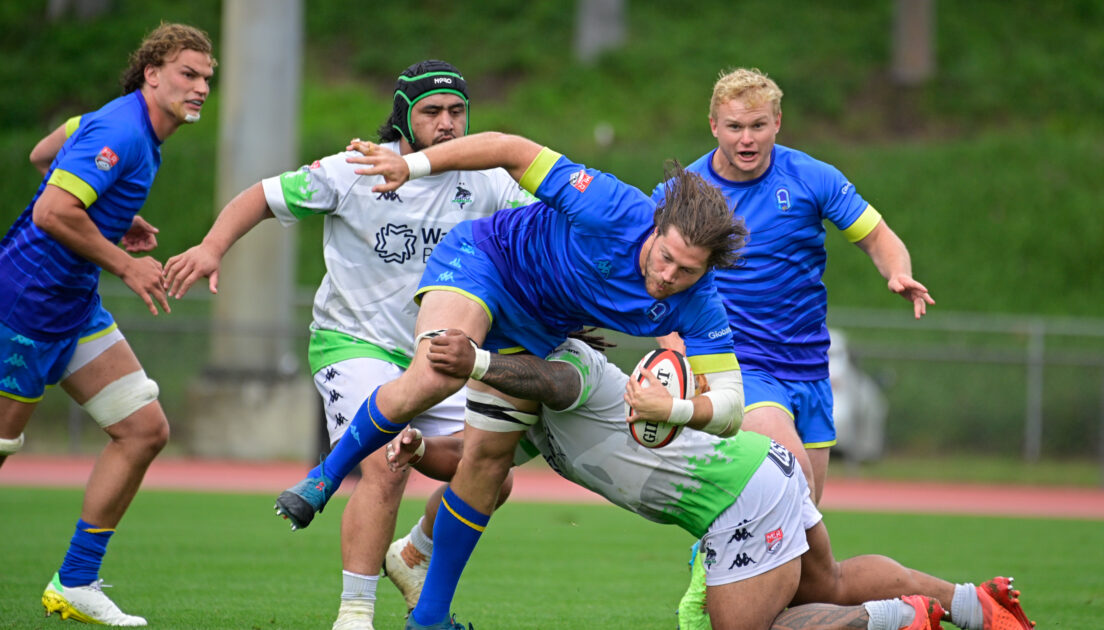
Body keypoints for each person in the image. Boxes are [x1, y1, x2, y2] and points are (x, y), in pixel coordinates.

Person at [274, 131, 750, 630]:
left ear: (708, 270)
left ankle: (429, 618)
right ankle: (323, 478)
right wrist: (411, 168)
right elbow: (508, 149)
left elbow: (733, 406)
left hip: (537, 330)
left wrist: (672, 410)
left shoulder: (700, 303)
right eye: (664, 257)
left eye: (687, 270)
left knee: (488, 463)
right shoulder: (608, 205)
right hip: (487, 263)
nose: (668, 276)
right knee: (435, 374)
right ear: (656, 227)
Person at [162, 60, 523, 630]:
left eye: (457, 111)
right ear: (404, 116)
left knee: (493, 472)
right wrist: (211, 247)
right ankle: (354, 614)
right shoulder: (352, 170)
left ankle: (413, 553)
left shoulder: (486, 178)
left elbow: (544, 235)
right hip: (355, 341)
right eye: (432, 112)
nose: (448, 124)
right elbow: (261, 194)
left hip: (439, 354)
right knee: (385, 460)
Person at [384, 329, 1035, 630]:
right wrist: (415, 449)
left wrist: (476, 362)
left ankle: (899, 619)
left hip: (739, 500)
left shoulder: (564, 365)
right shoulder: (520, 413)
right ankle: (977, 606)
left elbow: (548, 382)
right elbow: (470, 460)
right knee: (827, 584)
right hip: (760, 471)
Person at [650, 67, 935, 627]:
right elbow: (652, 273)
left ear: (778, 122)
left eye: (758, 124)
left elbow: (878, 235)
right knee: (791, 478)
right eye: (734, 126)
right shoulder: (684, 193)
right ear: (713, 125)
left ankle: (929, 607)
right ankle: (701, 591)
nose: (747, 138)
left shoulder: (811, 177)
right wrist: (676, 345)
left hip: (809, 373)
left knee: (797, 540)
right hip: (737, 367)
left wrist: (897, 272)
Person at [0, 22, 215, 627]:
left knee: (144, 429)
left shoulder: (123, 125)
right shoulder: (123, 128)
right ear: (152, 74)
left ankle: (75, 580)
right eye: (187, 74)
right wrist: (127, 263)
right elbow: (51, 209)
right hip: (26, 303)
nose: (200, 88)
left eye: (206, 78)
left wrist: (117, 211)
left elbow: (46, 154)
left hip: (72, 304)